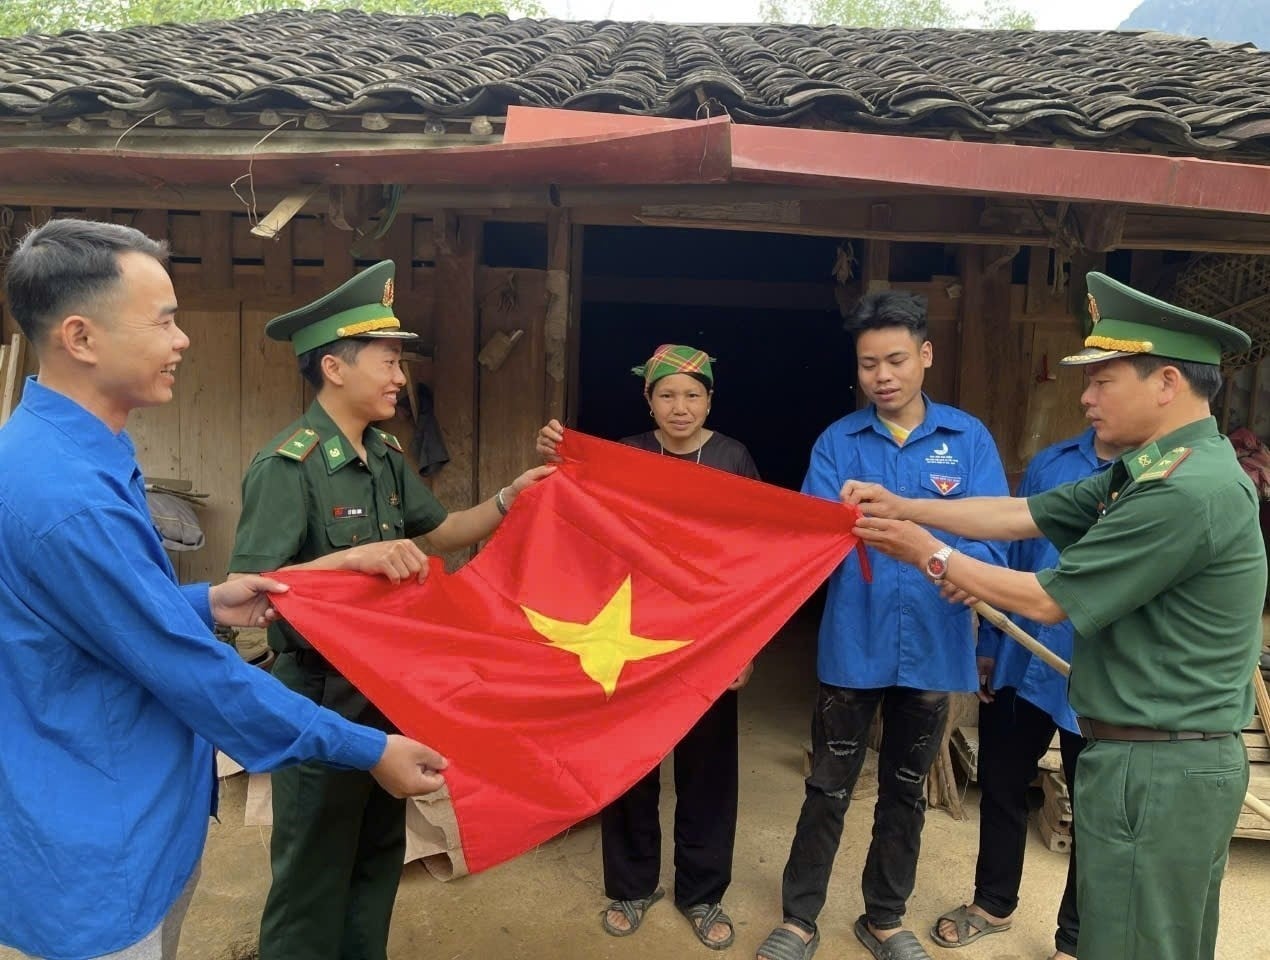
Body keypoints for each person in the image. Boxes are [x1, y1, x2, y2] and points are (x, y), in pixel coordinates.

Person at [0, 220, 448, 960]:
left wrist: (203, 601)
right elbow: (191, 671)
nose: (182, 340)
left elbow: (100, 619)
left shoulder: (81, 453)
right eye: (164, 321)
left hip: (135, 808)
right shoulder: (66, 495)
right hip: (101, 840)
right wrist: (367, 749)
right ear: (80, 338)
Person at [847, 272, 1265, 960]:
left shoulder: (1186, 492)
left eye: (1103, 380)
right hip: (1144, 752)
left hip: (1162, 764)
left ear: (1166, 382)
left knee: (1139, 944)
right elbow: (1021, 514)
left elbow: (1048, 598)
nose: (1085, 397)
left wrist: (926, 552)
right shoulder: (1154, 471)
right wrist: (905, 505)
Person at [229, 259, 554, 960]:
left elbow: (442, 532)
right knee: (313, 872)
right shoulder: (288, 465)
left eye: (400, 363)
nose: (400, 378)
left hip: (387, 689)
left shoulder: (385, 454)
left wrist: (511, 498)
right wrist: (352, 561)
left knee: (377, 857)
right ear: (334, 368)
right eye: (388, 361)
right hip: (317, 697)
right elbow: (248, 588)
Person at [757, 291, 1009, 960]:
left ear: (926, 355)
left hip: (934, 644)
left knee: (905, 789)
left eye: (896, 360)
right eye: (868, 364)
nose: (882, 376)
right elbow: (809, 539)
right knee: (827, 786)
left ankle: (885, 917)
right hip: (855, 642)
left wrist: (967, 568)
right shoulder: (838, 443)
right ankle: (799, 919)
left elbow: (995, 536)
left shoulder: (968, 440)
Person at [536, 343, 757, 950]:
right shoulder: (625, 455)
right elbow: (583, 522)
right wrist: (560, 457)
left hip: (710, 637)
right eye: (667, 395)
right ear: (648, 400)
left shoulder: (733, 458)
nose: (680, 407)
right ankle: (632, 886)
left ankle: (702, 893)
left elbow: (755, 558)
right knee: (630, 763)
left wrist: (745, 645)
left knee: (708, 770)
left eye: (692, 395)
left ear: (709, 400)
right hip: (630, 634)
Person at [932, 427, 1121, 960]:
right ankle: (993, 902)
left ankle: (1076, 940)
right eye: (1090, 386)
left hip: (1100, 670)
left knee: (1094, 807)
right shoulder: (1050, 463)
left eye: (1105, 386)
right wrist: (990, 644)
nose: (1091, 397)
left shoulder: (1156, 477)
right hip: (1023, 653)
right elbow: (1012, 558)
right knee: (1001, 782)